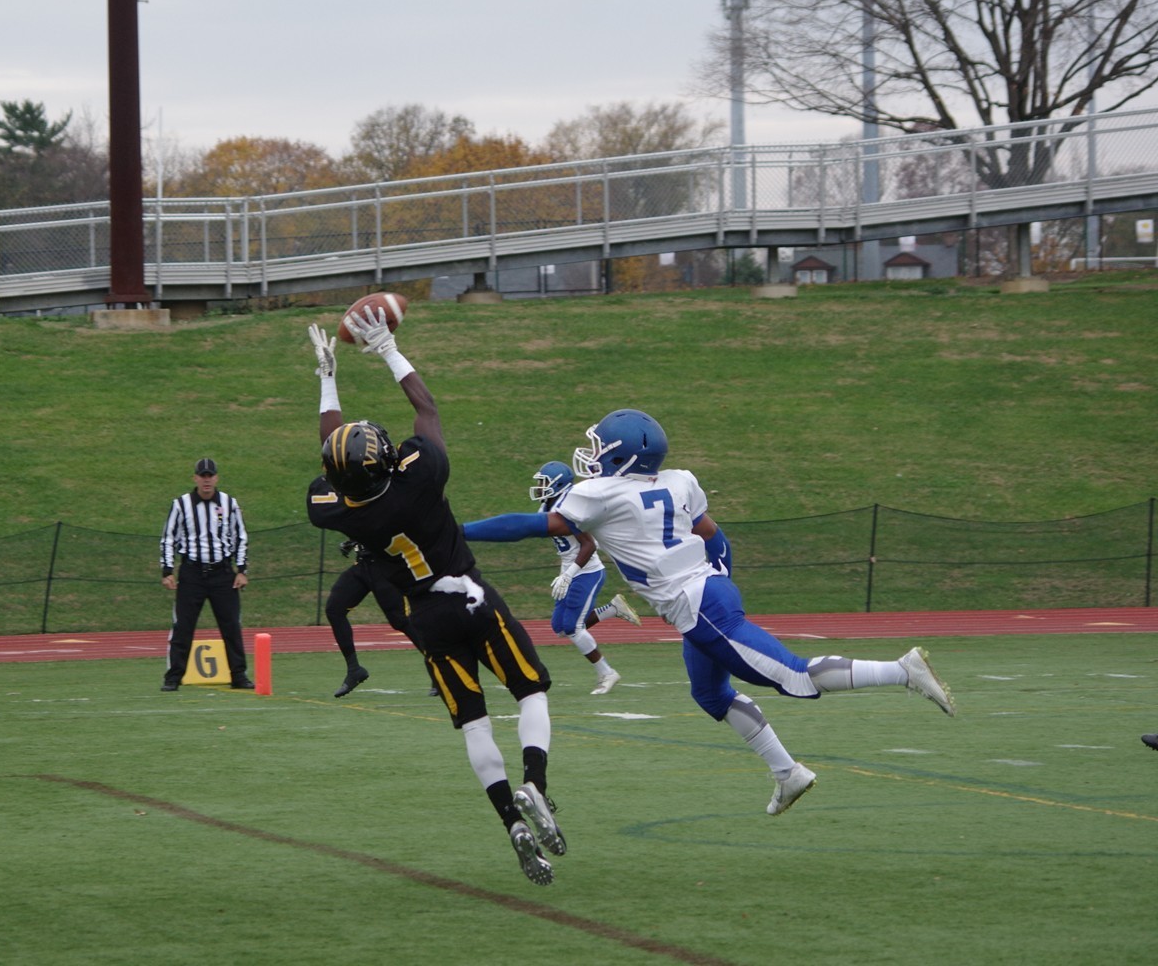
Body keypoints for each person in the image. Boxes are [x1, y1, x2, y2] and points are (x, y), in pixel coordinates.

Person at [462, 408, 955, 818]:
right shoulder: (678, 481)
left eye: (598, 447)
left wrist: (457, 530)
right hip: (705, 599)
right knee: (710, 693)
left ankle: (902, 670)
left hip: (701, 605)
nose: (590, 455)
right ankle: (788, 773)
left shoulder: (602, 493)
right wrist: (715, 581)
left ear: (621, 455)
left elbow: (530, 525)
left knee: (797, 679)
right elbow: (713, 533)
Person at [305, 306, 565, 886]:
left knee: (473, 723)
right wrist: (388, 350)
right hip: (470, 597)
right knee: (531, 693)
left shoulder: (336, 512)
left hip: (424, 619)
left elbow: (332, 455)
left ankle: (511, 824)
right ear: (386, 464)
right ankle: (536, 787)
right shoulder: (421, 476)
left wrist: (328, 379)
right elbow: (426, 409)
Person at [517, 460, 642, 696]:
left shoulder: (569, 508)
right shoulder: (546, 507)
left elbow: (589, 545)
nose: (540, 487)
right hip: (569, 570)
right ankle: (612, 609)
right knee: (560, 629)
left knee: (573, 628)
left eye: (544, 483)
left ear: (558, 484)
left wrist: (568, 575)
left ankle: (607, 673)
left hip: (586, 571)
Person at [159, 457, 252, 692]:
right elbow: (169, 538)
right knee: (183, 625)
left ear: (216, 478)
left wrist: (241, 570)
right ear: (195, 478)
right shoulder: (181, 505)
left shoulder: (229, 504)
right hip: (192, 572)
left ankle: (238, 675)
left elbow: (240, 537)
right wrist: (168, 570)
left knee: (231, 625)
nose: (206, 480)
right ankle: (174, 677)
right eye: (202, 475)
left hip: (222, 572)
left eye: (210, 475)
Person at [325, 538, 434, 698]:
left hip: (386, 567)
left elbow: (383, 525)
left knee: (401, 620)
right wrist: (353, 541)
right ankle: (354, 669)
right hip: (364, 565)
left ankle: (439, 665)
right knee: (334, 610)